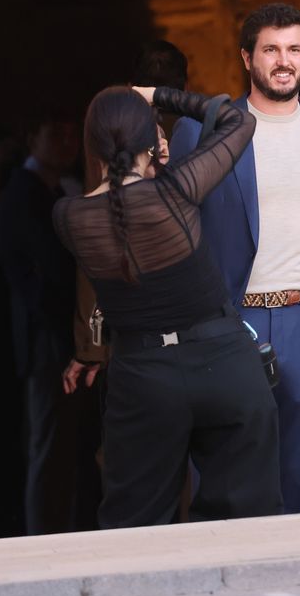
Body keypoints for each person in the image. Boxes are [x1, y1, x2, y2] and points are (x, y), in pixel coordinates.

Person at [53, 85, 281, 527]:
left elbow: (113, 203)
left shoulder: (68, 217)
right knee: (248, 520)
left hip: (143, 377)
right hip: (225, 364)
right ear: (152, 141)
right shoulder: (178, 188)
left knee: (135, 526)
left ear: (93, 143)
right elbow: (240, 120)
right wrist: (159, 93)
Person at [169, 3, 300, 513]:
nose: (283, 60)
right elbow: (177, 236)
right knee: (227, 470)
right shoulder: (202, 131)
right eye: (271, 49)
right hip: (232, 320)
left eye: (294, 49)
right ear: (247, 57)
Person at [0, 116, 87, 535]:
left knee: (69, 442)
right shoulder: (23, 192)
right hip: (45, 335)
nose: (67, 140)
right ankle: (43, 537)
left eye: (72, 132)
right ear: (33, 136)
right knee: (48, 441)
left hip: (64, 332)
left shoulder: (65, 188)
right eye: (57, 130)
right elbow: (44, 270)